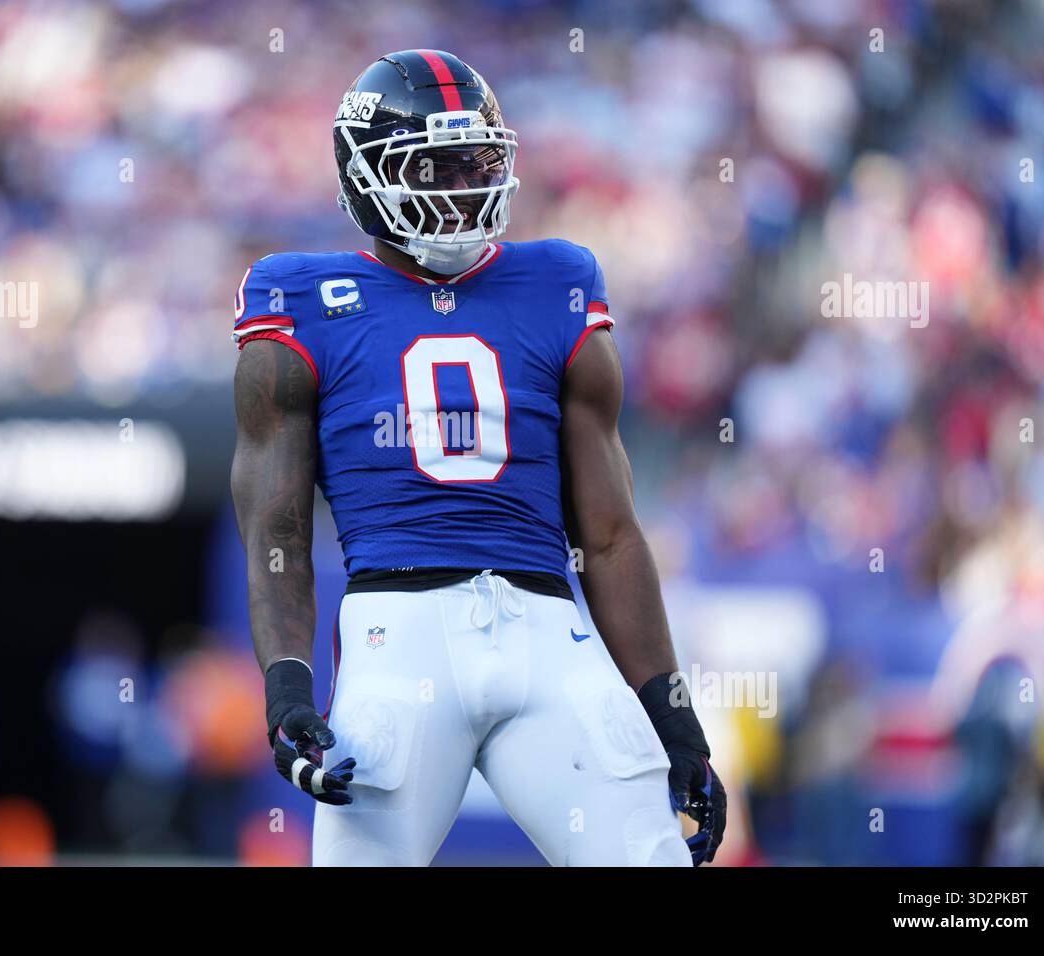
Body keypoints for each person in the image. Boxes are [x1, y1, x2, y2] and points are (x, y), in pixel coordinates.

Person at [231, 49, 725, 866]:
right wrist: (287, 689)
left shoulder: (558, 279)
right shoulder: (298, 298)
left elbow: (608, 534)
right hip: (398, 637)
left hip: (549, 636)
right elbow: (275, 527)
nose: (464, 187)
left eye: (479, 162)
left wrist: (675, 718)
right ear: (365, 177)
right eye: (436, 166)